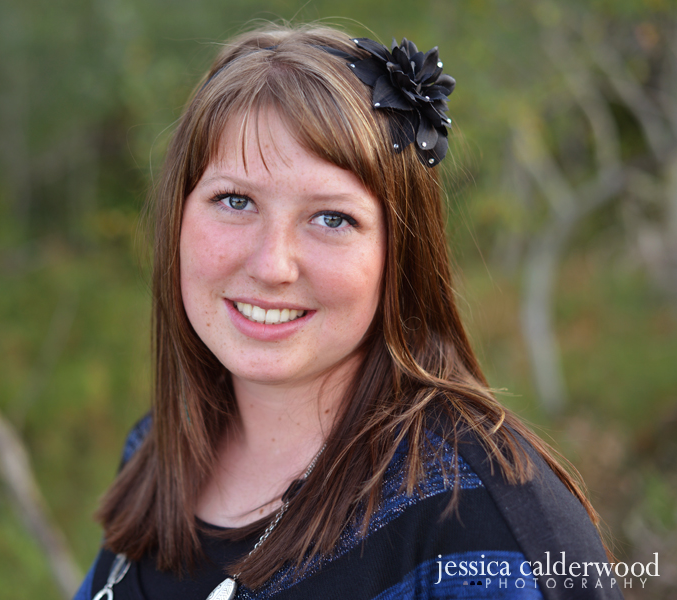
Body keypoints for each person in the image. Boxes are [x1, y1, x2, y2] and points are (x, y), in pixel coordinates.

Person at [75, 23, 622, 600]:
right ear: (178, 221)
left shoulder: (480, 530)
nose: (272, 266)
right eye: (235, 201)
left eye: (332, 218)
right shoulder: (160, 451)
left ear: (400, 254)